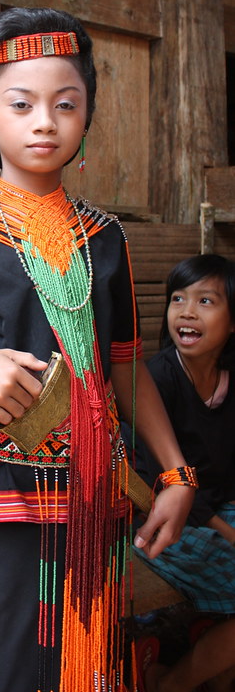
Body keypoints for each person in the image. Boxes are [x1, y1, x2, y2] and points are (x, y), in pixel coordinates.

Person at [0, 6, 196, 692]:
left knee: (88, 663)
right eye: (21, 103)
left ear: (86, 117)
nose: (44, 120)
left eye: (65, 104)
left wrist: (175, 473)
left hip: (93, 492)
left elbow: (123, 365)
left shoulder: (104, 237)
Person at [132, 254, 235, 692]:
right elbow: (156, 481)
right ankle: (171, 683)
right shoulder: (157, 381)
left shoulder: (229, 381)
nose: (187, 311)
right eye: (179, 299)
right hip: (163, 523)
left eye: (206, 300)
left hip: (219, 511)